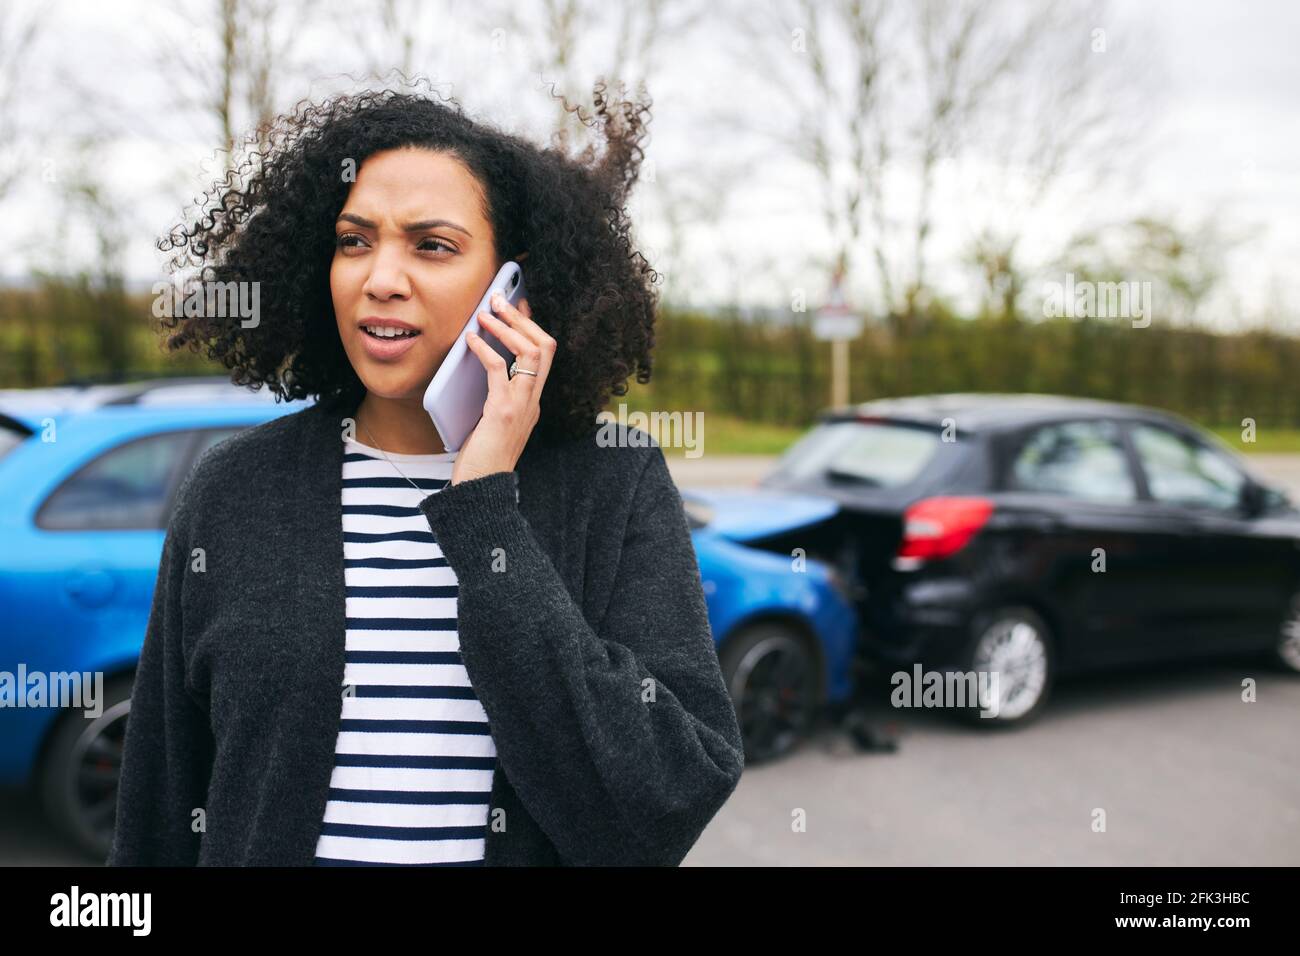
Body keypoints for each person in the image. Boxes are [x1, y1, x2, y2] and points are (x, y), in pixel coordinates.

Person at [106, 82, 744, 867]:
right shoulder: (236, 488)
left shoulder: (613, 484)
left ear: (511, 289)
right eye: (353, 240)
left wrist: (484, 515)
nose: (381, 277)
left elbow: (665, 798)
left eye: (431, 245)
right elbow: (158, 814)